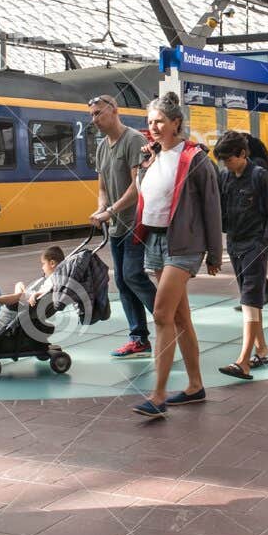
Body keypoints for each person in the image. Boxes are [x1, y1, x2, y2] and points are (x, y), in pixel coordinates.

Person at [131, 92, 223, 419]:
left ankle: (157, 395)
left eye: (160, 121)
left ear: (176, 123)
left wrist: (215, 252)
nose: (154, 127)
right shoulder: (152, 157)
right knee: (180, 317)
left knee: (160, 314)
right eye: (151, 121)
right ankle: (195, 385)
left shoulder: (195, 158)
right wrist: (145, 163)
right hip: (154, 240)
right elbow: (145, 194)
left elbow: (212, 207)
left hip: (184, 243)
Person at [88, 94, 156, 358]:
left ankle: (168, 320)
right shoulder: (102, 147)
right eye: (92, 115)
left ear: (114, 111)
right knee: (123, 281)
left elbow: (137, 187)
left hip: (135, 223)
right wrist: (101, 208)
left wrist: (111, 210)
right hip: (115, 226)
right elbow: (102, 187)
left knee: (132, 275)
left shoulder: (133, 141)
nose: (94, 119)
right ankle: (138, 338)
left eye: (98, 113)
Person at [215, 131, 268, 379]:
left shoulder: (260, 176)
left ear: (242, 154)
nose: (226, 164)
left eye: (229, 159)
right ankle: (261, 350)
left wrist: (263, 245)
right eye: (222, 161)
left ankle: (243, 361)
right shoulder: (225, 177)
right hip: (235, 245)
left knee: (249, 302)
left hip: (254, 246)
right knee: (250, 300)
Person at [0, 245, 63, 311]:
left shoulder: (54, 279)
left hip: (34, 299)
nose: (42, 267)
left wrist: (35, 294)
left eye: (43, 264)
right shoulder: (56, 277)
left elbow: (49, 292)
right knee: (19, 284)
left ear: (52, 263)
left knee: (17, 296)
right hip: (34, 296)